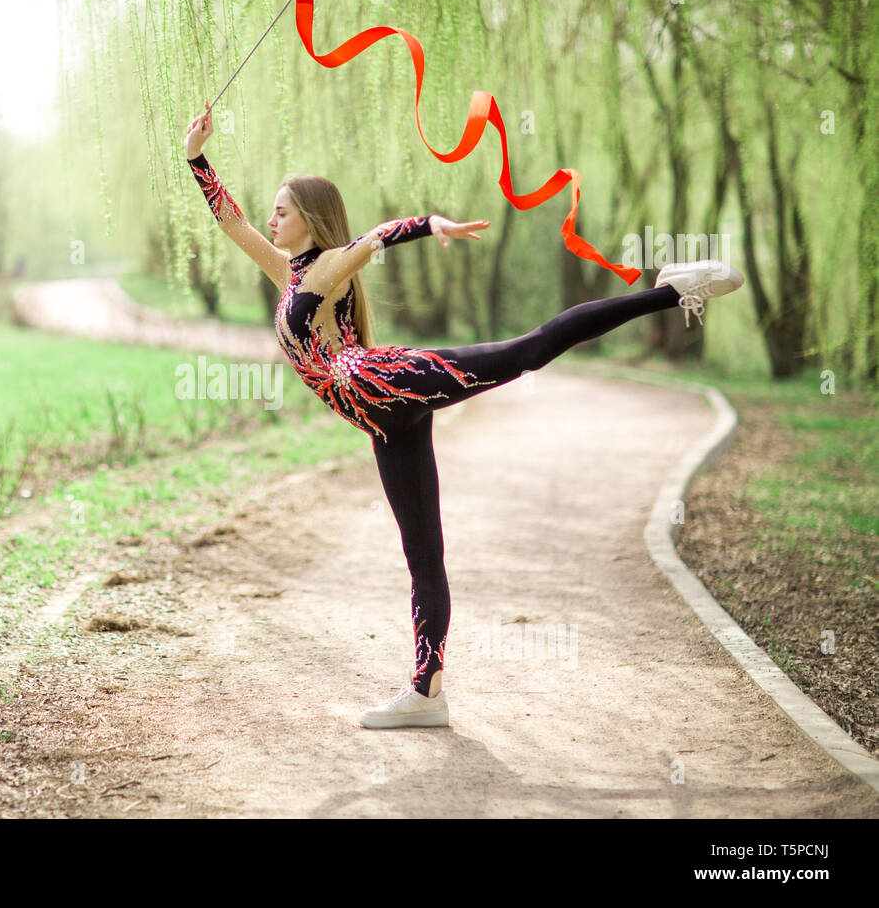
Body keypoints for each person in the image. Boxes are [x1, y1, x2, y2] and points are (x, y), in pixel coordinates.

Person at [183, 100, 742, 728]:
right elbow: (231, 223)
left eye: (281, 210)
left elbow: (374, 239)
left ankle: (671, 290)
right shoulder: (286, 273)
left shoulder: (329, 268)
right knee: (423, 553)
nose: (270, 218)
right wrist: (197, 156)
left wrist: (428, 225)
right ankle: (427, 693)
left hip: (386, 383)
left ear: (310, 220)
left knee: (523, 350)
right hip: (383, 420)